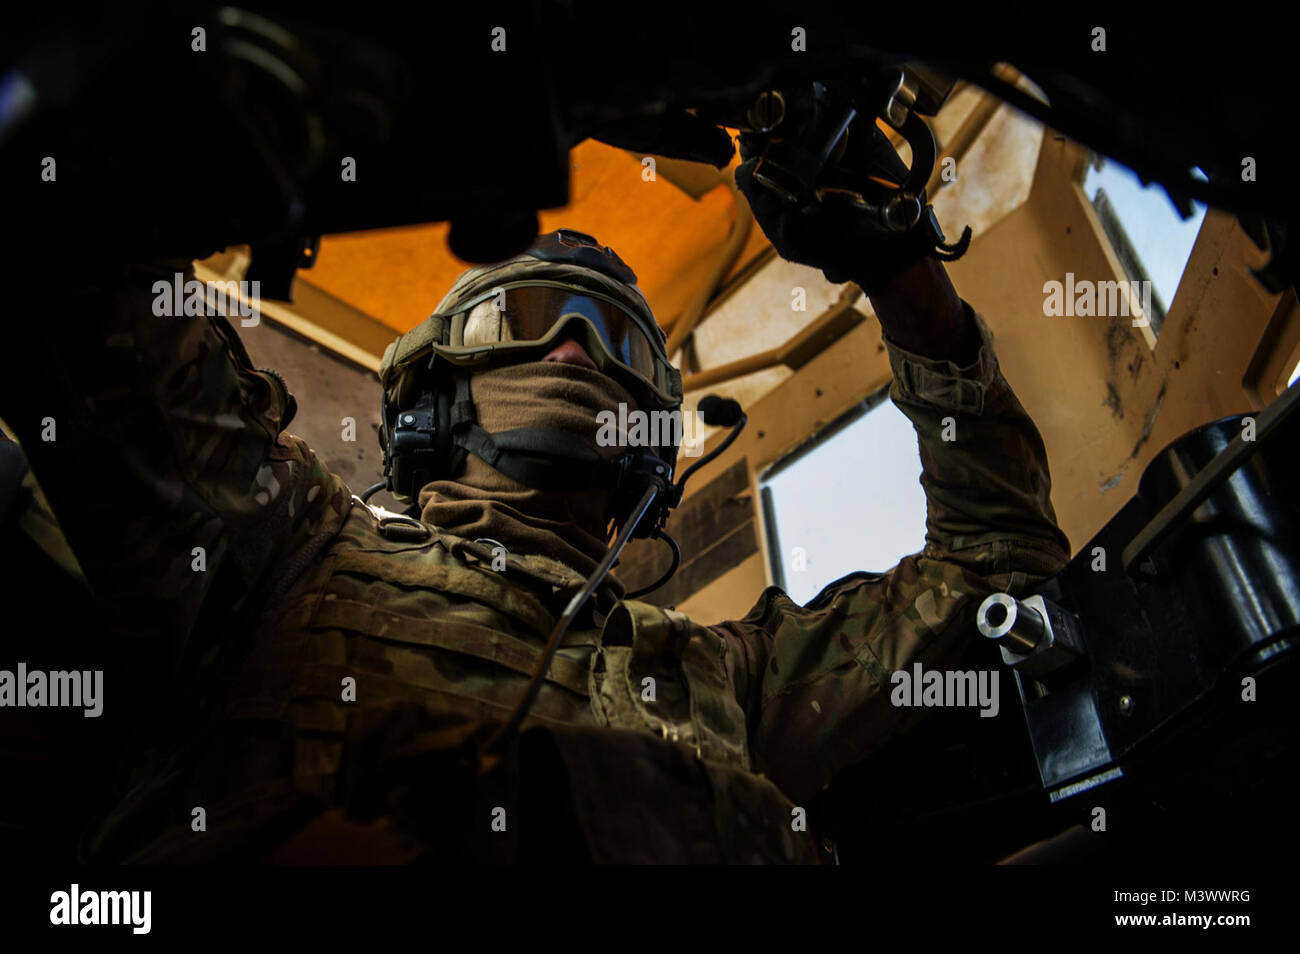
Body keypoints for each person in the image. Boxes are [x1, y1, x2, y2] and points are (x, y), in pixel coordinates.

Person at [0, 147, 1070, 864]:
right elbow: (75, 255)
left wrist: (901, 276)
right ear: (430, 402)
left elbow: (998, 569)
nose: (574, 349)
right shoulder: (281, 544)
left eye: (621, 347)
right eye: (530, 314)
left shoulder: (726, 677)